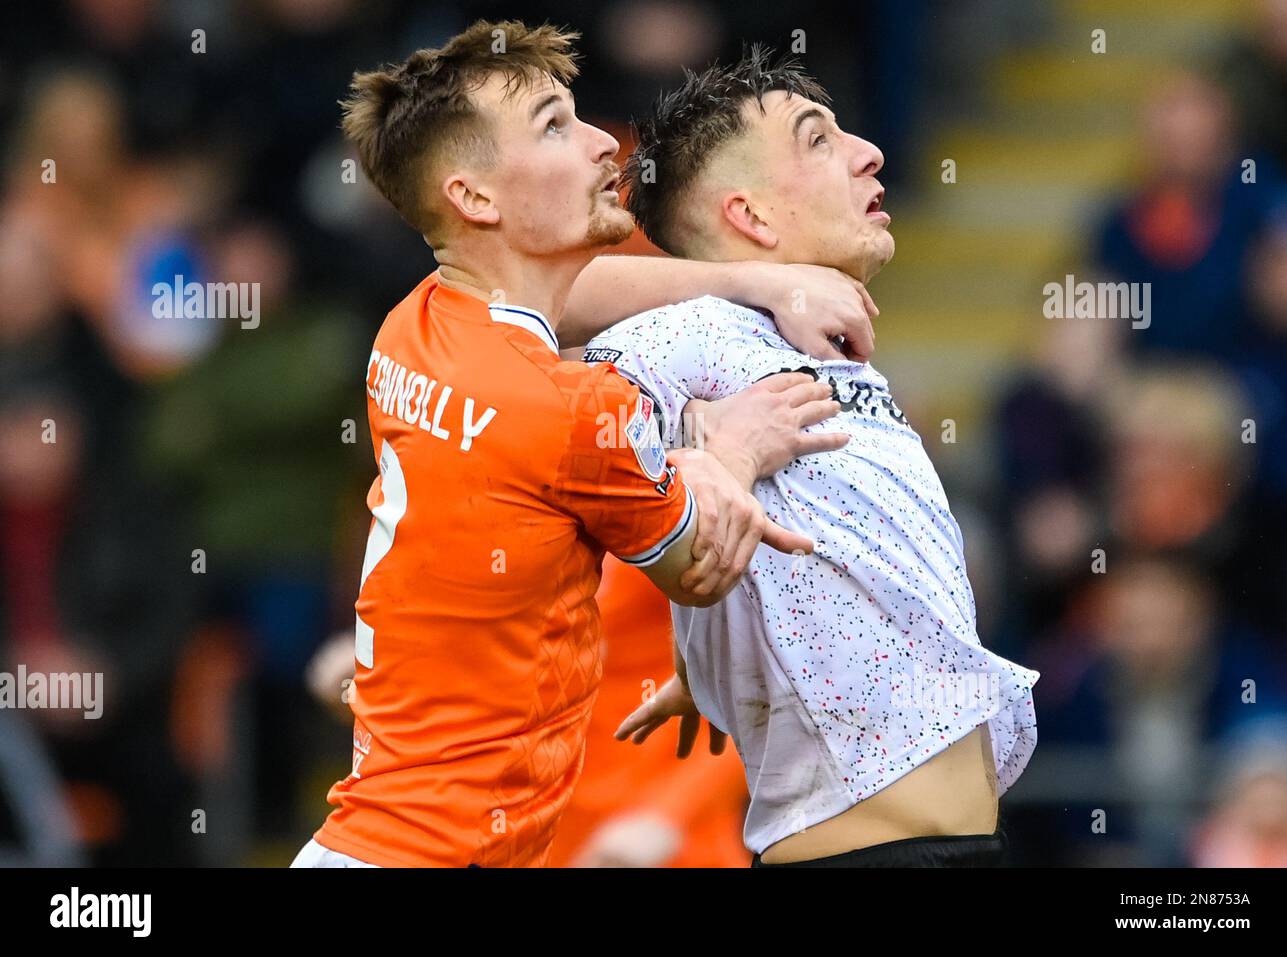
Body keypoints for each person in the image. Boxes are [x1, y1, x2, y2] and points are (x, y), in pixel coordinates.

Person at [292, 21, 863, 868]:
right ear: (477, 199)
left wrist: (759, 279)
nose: (604, 142)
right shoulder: (574, 410)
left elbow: (577, 294)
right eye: (556, 125)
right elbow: (698, 565)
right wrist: (735, 448)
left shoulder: (412, 328)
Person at [600, 48, 1040, 867]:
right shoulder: (695, 330)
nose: (869, 152)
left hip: (962, 842)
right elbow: (518, 322)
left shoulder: (824, 344)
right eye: (817, 139)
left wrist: (706, 645)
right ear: (754, 219)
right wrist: (716, 456)